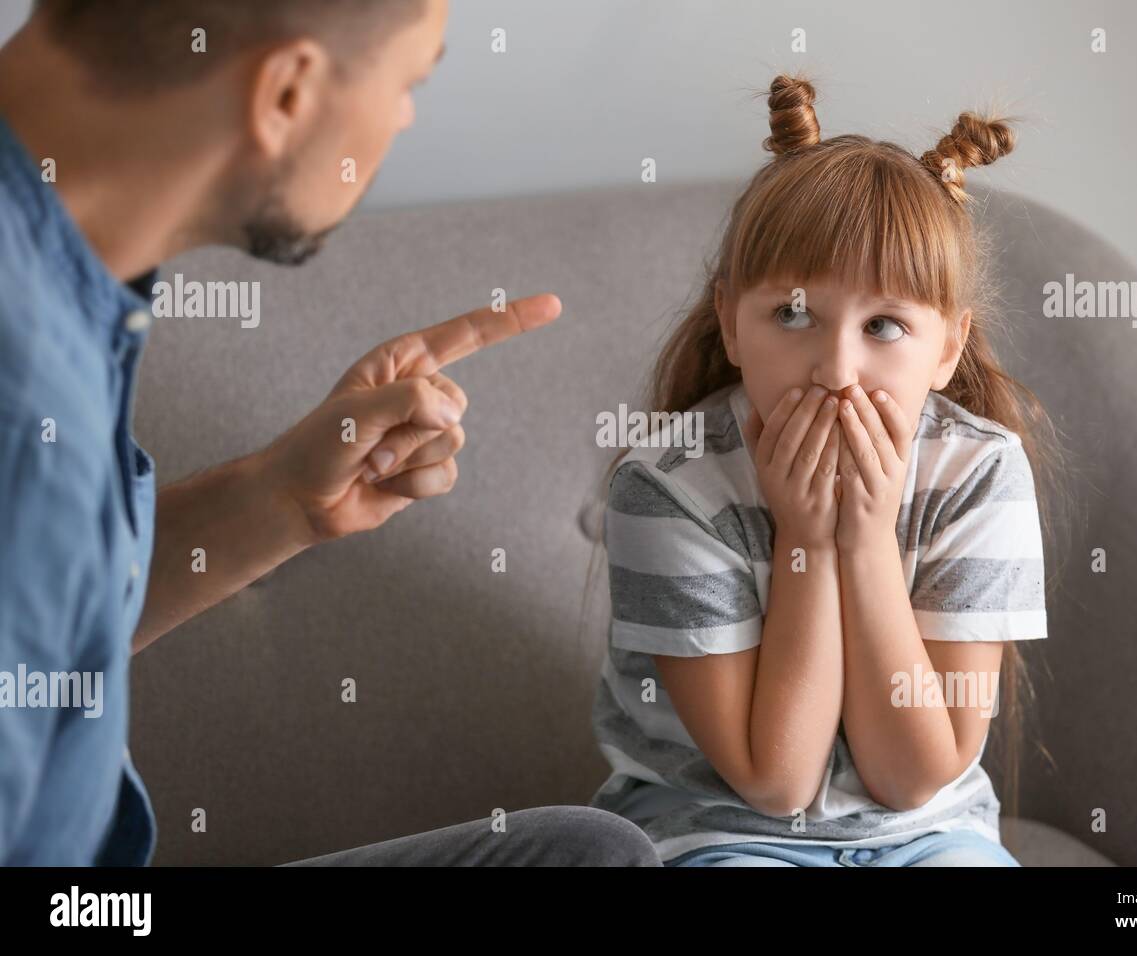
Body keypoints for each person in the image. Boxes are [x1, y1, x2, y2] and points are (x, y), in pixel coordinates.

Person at [0, 0, 658, 867]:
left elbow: (49, 608)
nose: (405, 116)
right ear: (287, 93)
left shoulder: (63, 279)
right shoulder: (27, 386)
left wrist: (285, 499)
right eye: (409, 80)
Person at [587, 73, 1063, 866]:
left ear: (947, 348)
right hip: (718, 829)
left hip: (929, 832)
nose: (837, 369)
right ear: (731, 324)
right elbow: (776, 782)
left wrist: (869, 541)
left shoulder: (981, 473)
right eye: (794, 314)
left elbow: (915, 776)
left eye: (884, 325)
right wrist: (807, 536)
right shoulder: (667, 489)